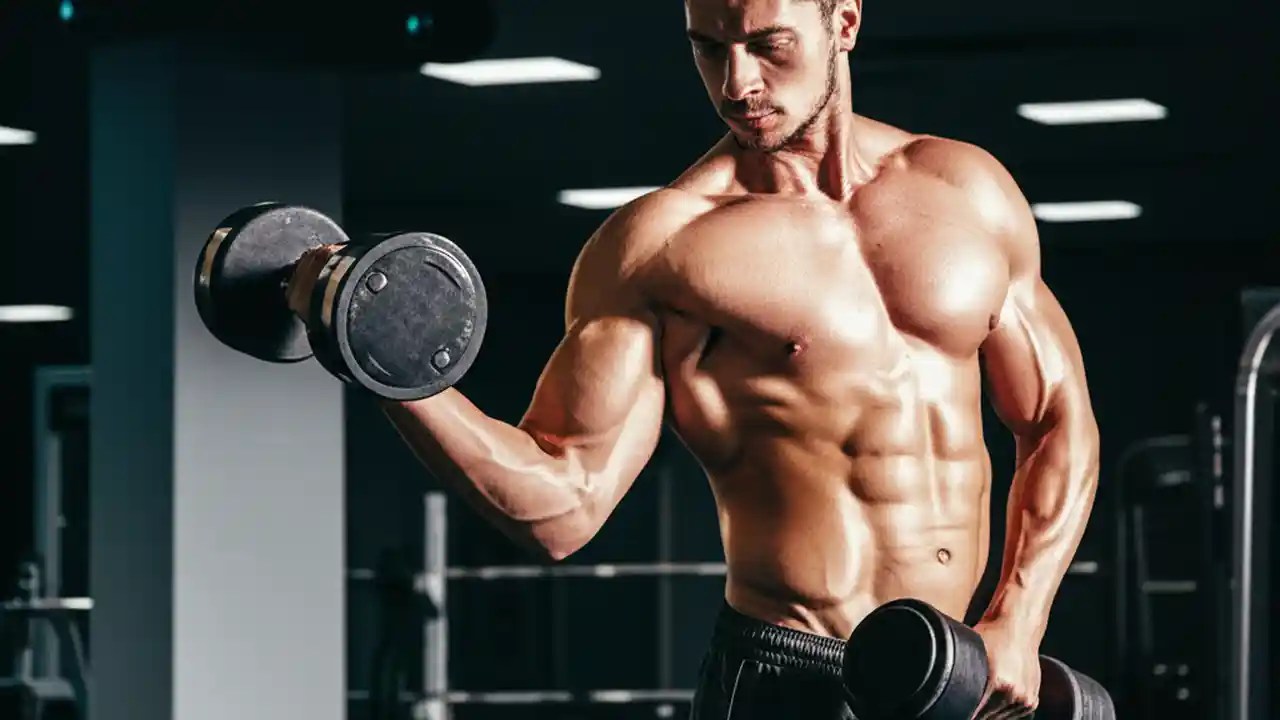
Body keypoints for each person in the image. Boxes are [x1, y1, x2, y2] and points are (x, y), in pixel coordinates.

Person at [289, 0, 1101, 717]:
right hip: (794, 673)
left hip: (955, 674)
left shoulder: (966, 192)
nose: (737, 83)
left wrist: (1019, 618)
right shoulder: (664, 249)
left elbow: (1057, 419)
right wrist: (384, 364)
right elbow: (563, 505)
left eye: (768, 44)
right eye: (709, 48)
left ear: (844, 23)